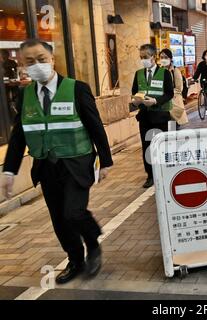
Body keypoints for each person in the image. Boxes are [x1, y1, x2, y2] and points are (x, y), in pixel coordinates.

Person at [1, 39, 113, 284]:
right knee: (59, 219)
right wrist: (9, 171)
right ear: (22, 65)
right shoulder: (25, 94)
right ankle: (75, 260)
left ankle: (93, 244)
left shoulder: (76, 88)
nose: (36, 65)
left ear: (52, 59)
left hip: (77, 163)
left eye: (41, 59)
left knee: (73, 212)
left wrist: (105, 161)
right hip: (45, 165)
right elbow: (19, 135)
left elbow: (95, 125)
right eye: (29, 61)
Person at [132, 44, 174, 188]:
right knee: (147, 146)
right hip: (145, 117)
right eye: (141, 57)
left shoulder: (164, 73)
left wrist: (156, 101)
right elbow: (135, 92)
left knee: (163, 146)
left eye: (145, 57)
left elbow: (170, 93)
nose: (143, 60)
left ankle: (166, 172)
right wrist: (136, 101)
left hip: (161, 116)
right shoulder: (138, 74)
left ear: (153, 57)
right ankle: (150, 175)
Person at [159, 48, 188, 128]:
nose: (163, 59)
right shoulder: (159, 71)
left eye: (166, 57)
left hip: (173, 104)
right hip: (162, 105)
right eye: (161, 57)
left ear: (170, 58)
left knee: (172, 128)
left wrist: (167, 94)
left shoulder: (175, 71)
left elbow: (179, 89)